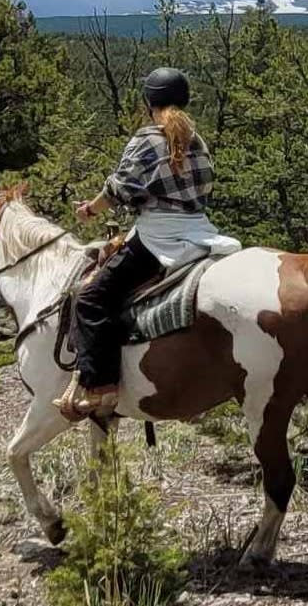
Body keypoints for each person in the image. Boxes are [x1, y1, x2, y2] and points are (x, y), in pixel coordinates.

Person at [53, 67, 240, 420]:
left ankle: (101, 386)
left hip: (158, 238)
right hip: (200, 230)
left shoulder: (146, 138)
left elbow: (119, 188)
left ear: (148, 102)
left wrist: (89, 210)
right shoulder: (196, 140)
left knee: (91, 298)